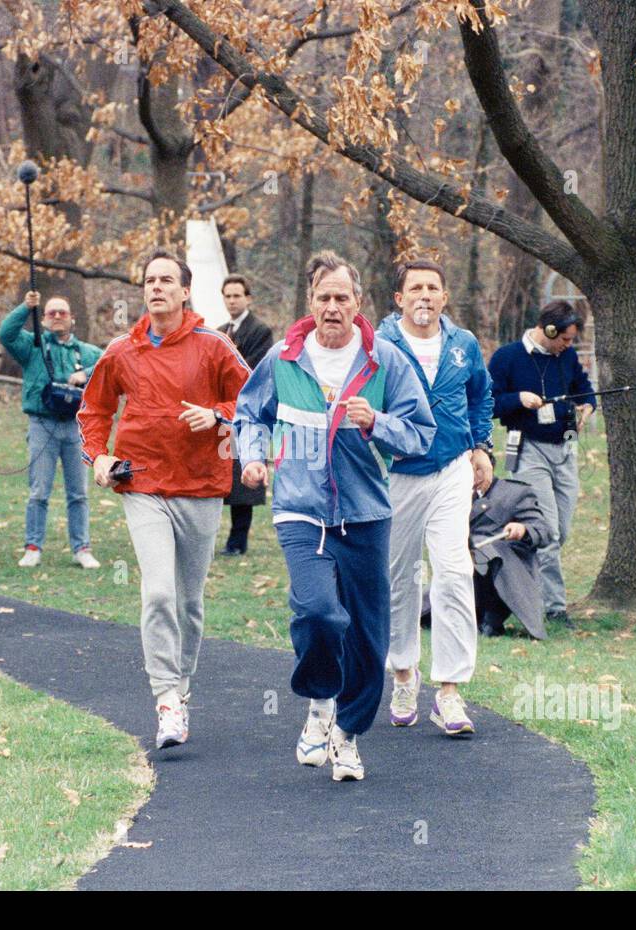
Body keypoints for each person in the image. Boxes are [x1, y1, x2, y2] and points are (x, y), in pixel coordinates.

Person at [235, 251, 434, 782]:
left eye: (341, 297)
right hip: (300, 511)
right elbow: (249, 413)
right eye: (323, 297)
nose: (332, 307)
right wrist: (252, 456)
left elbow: (421, 433)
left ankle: (347, 736)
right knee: (319, 613)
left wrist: (380, 424)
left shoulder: (384, 361)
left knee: (369, 637)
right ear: (310, 302)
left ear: (358, 303)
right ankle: (320, 701)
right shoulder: (283, 358)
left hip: (367, 514)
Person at [78, 250, 249, 751]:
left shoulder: (213, 346)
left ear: (185, 291)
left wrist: (218, 415)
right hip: (143, 484)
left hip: (199, 486)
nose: (156, 288)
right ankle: (166, 699)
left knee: (189, 602)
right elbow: (93, 411)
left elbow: (257, 398)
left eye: (166, 280)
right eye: (150, 280)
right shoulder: (121, 351)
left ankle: (183, 683)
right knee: (157, 594)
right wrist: (99, 458)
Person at [376, 259, 493, 737]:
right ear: (399, 298)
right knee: (400, 574)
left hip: (450, 468)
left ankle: (450, 691)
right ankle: (404, 673)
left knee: (453, 570)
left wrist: (480, 445)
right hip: (398, 472)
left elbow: (480, 396)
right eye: (415, 288)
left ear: (445, 298)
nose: (424, 295)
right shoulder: (380, 345)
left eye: (433, 288)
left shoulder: (463, 345)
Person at [487, 300, 596, 628]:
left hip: (564, 451)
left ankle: (503, 591)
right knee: (546, 530)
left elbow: (586, 392)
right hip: (529, 450)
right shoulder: (507, 358)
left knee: (558, 531)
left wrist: (585, 409)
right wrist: (518, 399)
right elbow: (488, 404)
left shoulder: (568, 357)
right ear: (549, 330)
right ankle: (554, 608)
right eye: (564, 338)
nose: (569, 345)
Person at [0, 291, 103, 569]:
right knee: (39, 491)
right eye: (51, 313)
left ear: (73, 319)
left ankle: (82, 548)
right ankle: (33, 546)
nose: (57, 317)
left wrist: (85, 374)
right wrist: (25, 307)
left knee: (78, 492)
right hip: (41, 425)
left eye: (63, 313)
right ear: (43, 320)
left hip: (74, 427)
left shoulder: (87, 352)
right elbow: (5, 334)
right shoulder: (32, 347)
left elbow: (110, 364)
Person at [467, 449, 550, 640]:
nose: (473, 475)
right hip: (466, 568)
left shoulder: (515, 492)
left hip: (506, 568)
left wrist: (522, 529)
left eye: (478, 469)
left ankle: (491, 619)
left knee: (484, 550)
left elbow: (543, 530)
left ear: (490, 468)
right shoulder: (454, 496)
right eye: (468, 469)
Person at [217, 274, 273, 556]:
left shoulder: (259, 331)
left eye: (237, 295)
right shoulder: (219, 330)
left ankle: (238, 541)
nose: (232, 300)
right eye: (227, 296)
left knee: (244, 476)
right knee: (223, 475)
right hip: (222, 413)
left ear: (248, 298)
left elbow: (253, 370)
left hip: (249, 412)